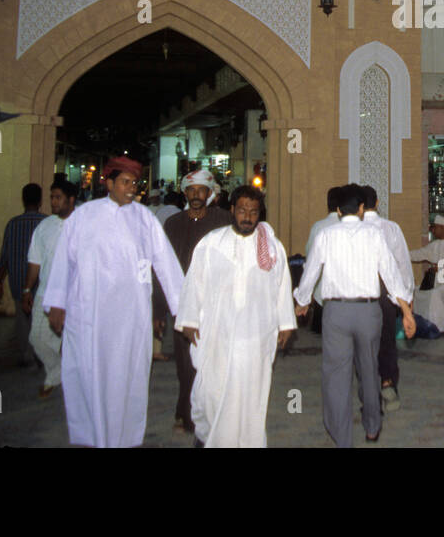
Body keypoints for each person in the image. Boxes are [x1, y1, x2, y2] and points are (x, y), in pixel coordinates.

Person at [42, 155, 185, 448]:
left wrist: (183, 309)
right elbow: (63, 261)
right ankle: (91, 437)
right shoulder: (84, 216)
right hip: (89, 315)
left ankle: (125, 440)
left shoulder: (144, 218)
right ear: (109, 183)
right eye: (124, 182)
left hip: (130, 318)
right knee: (89, 375)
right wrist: (57, 302)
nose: (131, 188)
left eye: (134, 183)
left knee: (127, 379)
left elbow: (167, 264)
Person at [293, 184, 415, 447]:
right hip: (369, 312)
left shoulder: (326, 235)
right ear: (361, 209)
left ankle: (342, 438)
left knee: (336, 375)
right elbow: (391, 275)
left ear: (337, 210)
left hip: (336, 313)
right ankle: (372, 427)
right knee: (369, 369)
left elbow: (310, 272)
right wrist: (406, 310)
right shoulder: (374, 235)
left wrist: (301, 302)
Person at [175, 185, 294, 447]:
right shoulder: (211, 243)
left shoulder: (272, 248)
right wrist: (189, 318)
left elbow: (282, 286)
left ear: (259, 214)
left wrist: (285, 323)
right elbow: (195, 282)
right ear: (232, 210)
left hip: (255, 336)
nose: (247, 217)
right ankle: (210, 438)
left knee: (250, 396)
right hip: (217, 334)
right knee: (210, 392)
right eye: (242, 210)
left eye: (253, 212)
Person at [157, 169, 233, 434]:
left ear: (210, 192)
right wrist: (158, 310)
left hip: (216, 303)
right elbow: (162, 268)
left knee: (215, 361)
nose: (196, 194)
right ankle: (187, 413)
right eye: (191, 190)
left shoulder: (225, 221)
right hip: (182, 305)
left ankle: (215, 413)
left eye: (201, 190)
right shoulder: (173, 224)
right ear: (185, 193)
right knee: (185, 365)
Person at [359, 185, 414, 413]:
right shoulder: (391, 228)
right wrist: (407, 299)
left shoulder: (353, 231)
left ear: (359, 207)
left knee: (364, 347)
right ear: (377, 203)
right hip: (388, 295)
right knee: (387, 342)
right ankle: (388, 383)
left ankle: (370, 396)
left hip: (361, 296)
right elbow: (403, 263)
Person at [23, 179, 76, 397]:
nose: (53, 201)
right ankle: (58, 371)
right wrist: (27, 290)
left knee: (77, 341)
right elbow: (35, 261)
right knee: (37, 338)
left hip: (75, 295)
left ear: (71, 200)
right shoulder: (45, 227)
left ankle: (65, 378)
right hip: (45, 293)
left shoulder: (84, 224)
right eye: (51, 197)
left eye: (58, 197)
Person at [0, 184, 47, 366]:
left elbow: (5, 256)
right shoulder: (47, 223)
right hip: (40, 281)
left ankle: (26, 354)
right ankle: (40, 355)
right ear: (41, 201)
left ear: (23, 200)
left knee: (23, 321)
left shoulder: (13, 224)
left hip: (18, 281)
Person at [408, 215, 444, 331]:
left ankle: (437, 327)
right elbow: (420, 254)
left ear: (442, 228)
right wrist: (403, 254)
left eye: (435, 228)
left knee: (435, 294)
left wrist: (440, 268)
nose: (433, 231)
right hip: (437, 281)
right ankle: (422, 325)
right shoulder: (434, 245)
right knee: (418, 291)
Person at [302, 187, 343, 335]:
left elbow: (310, 256)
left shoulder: (318, 227)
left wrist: (306, 293)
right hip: (343, 292)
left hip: (322, 290)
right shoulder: (347, 227)